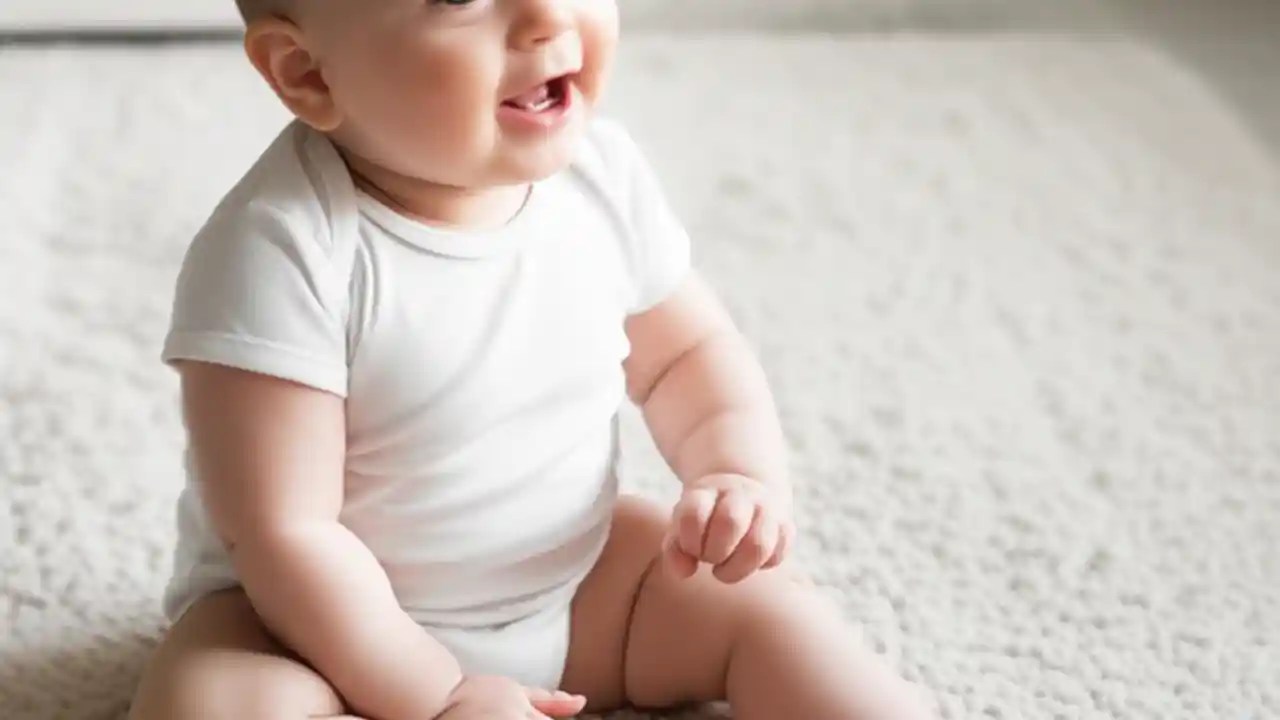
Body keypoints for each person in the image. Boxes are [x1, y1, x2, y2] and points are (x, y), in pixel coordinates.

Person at [129, 1, 935, 718]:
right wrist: (435, 694)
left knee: (766, 610)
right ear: (308, 73)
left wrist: (739, 474)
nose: (545, 16)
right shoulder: (281, 249)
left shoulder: (601, 179)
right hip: (315, 629)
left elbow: (688, 353)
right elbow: (284, 534)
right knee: (222, 701)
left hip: (577, 586)